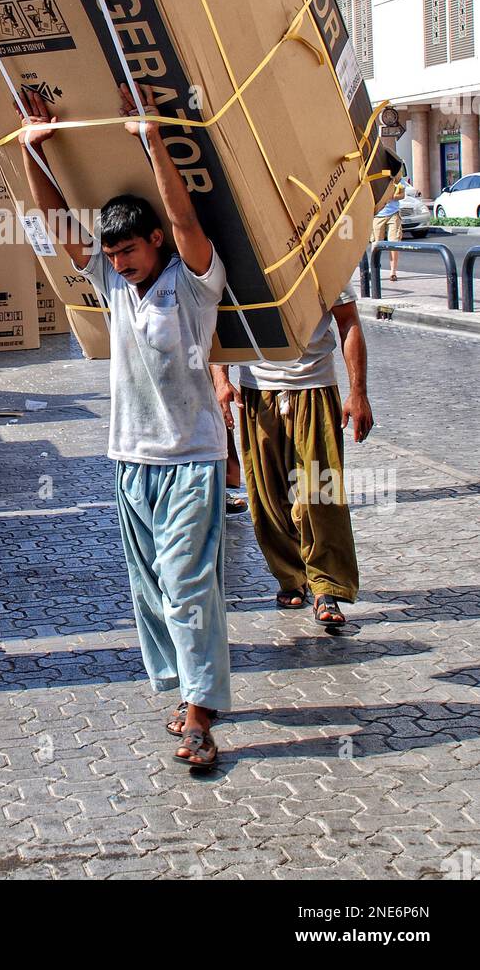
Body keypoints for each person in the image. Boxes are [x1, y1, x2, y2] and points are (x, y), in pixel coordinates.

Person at [20, 83, 230, 770]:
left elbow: (188, 221)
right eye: (112, 255)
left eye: (130, 252)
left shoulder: (193, 282)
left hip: (190, 457)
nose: (119, 263)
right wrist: (34, 150)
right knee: (151, 591)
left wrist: (150, 137)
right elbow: (60, 232)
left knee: (186, 581)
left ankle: (202, 713)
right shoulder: (114, 286)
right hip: (129, 459)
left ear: (156, 242)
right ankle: (184, 688)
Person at [212, 292, 373, 629]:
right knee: (267, 496)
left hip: (314, 385)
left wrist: (358, 392)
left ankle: (326, 585)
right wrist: (221, 380)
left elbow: (348, 321)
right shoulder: (238, 256)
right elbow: (219, 319)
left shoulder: (323, 261)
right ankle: (291, 575)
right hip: (257, 390)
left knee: (318, 495)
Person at [371, 172, 405, 281]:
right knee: (376, 243)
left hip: (393, 213)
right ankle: (374, 268)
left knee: (393, 243)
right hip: (378, 214)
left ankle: (393, 272)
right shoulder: (376, 176)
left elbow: (402, 195)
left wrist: (393, 197)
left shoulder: (397, 178)